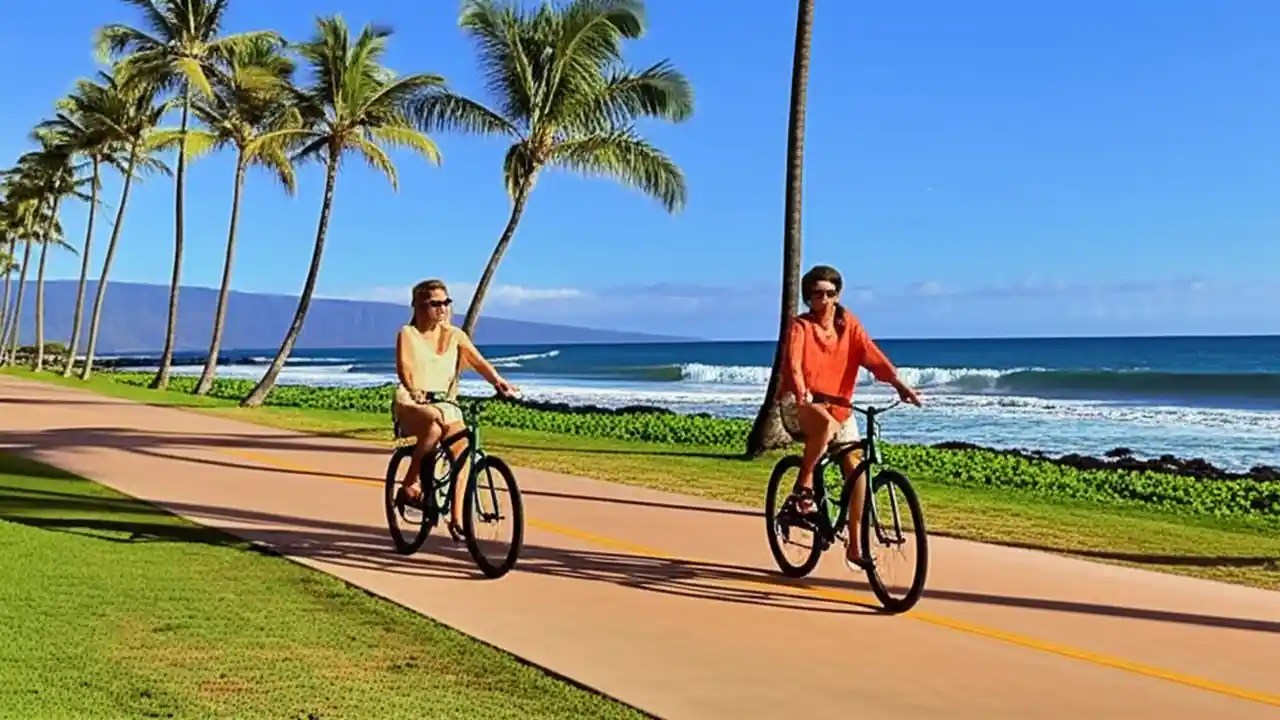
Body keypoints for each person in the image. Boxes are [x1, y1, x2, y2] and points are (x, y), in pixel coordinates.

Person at [776, 264, 922, 571]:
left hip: (838, 406)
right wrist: (802, 391)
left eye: (830, 293)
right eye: (817, 295)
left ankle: (855, 546)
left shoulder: (848, 325)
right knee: (825, 426)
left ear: (838, 294)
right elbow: (794, 364)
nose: (825, 300)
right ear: (808, 298)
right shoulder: (800, 327)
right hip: (798, 403)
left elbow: (870, 354)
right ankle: (802, 488)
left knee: (857, 469)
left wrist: (899, 384)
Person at [393, 278, 517, 539]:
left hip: (446, 405)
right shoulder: (408, 333)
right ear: (418, 306)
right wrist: (414, 388)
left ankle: (458, 519)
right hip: (413, 402)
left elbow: (479, 361)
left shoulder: (455, 335)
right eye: (434, 303)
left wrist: (498, 382)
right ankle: (409, 482)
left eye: (446, 302)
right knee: (434, 423)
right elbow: (404, 366)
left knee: (463, 455)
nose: (442, 308)